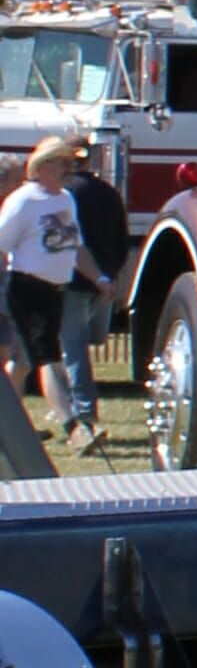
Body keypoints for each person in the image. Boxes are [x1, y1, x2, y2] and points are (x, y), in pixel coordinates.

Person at [0, 132, 99, 453]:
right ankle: (74, 428)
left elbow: (77, 246)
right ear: (42, 166)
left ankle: (7, 426)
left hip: (56, 290)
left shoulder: (65, 199)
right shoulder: (24, 201)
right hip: (26, 287)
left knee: (23, 363)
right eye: (62, 163)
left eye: (71, 164)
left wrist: (100, 278)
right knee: (47, 358)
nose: (68, 170)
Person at [60, 142, 129, 449]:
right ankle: (65, 407)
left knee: (72, 348)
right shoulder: (109, 192)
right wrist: (109, 274)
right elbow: (122, 239)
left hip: (73, 279)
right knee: (79, 344)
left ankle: (84, 414)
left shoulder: (65, 194)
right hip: (101, 279)